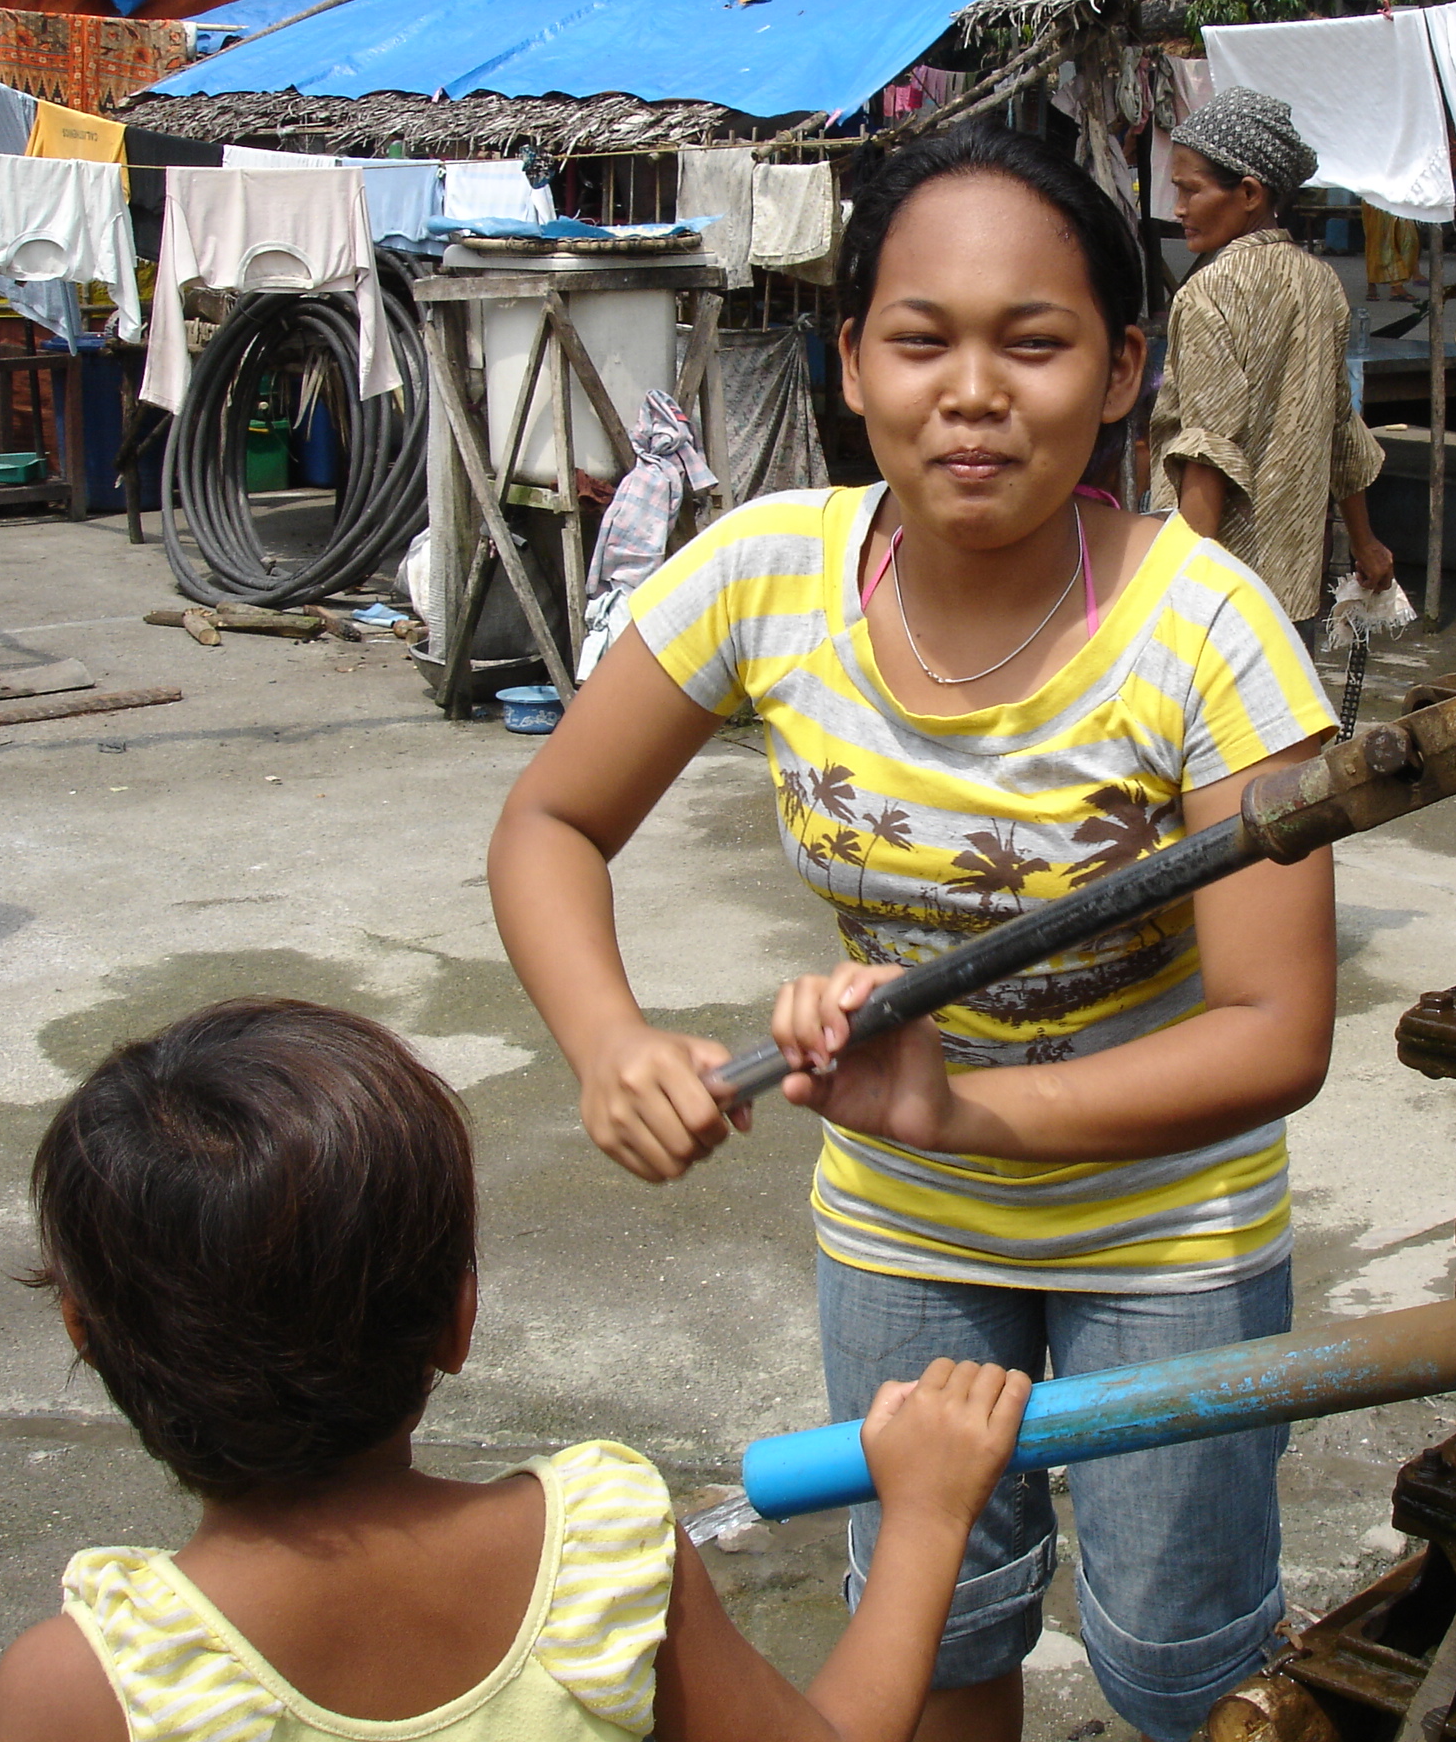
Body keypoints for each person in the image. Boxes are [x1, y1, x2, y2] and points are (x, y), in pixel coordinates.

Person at [487, 121, 1343, 1742]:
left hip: (1170, 1232)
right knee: (941, 1631)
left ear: (1117, 370)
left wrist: (971, 1108)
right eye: (919, 338)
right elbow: (548, 820)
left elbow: (1270, 1027)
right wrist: (609, 1038)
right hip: (902, 1232)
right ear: (851, 362)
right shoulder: (762, 576)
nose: (971, 388)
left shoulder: (1203, 626)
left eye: (1033, 340)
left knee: (1185, 1663)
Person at [0, 998, 1031, 1742]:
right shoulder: (598, 1555)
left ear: (85, 1332)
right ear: (459, 1318)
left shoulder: (88, 1686)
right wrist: (929, 1515)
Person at [1149, 87, 1397, 633]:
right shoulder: (1321, 284)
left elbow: (1207, 450)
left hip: (1219, 593)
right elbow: (1340, 425)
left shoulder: (1208, 292)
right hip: (1292, 589)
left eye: (1190, 191)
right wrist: (1365, 541)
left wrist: (1182, 595)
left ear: (1248, 192)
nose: (1179, 210)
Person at [1362, 199, 1421, 302]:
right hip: (1376, 194)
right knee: (1381, 240)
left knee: (1409, 240)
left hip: (1400, 195)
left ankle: (1396, 283)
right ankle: (1392, 286)